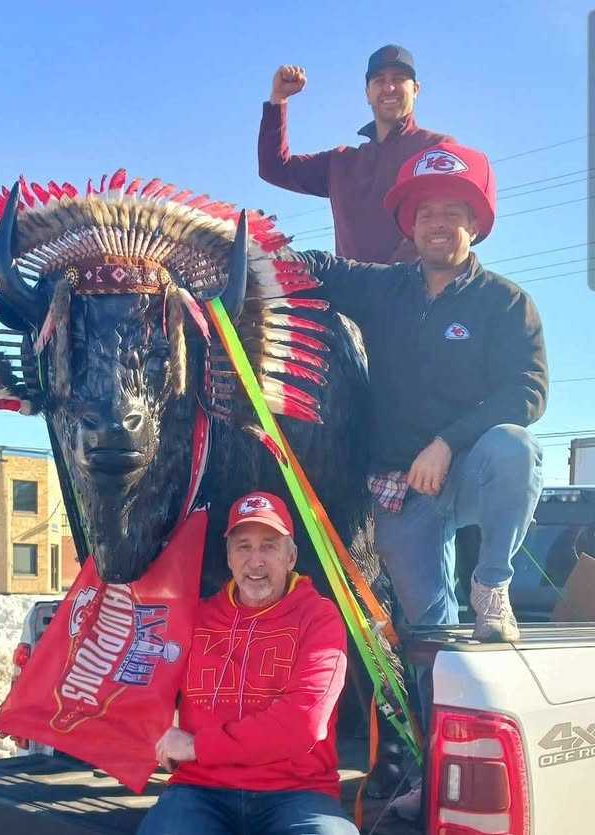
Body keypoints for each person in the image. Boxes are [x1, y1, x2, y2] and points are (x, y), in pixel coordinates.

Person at [299, 142, 547, 646]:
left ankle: (491, 584)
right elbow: (320, 266)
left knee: (516, 448)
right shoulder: (383, 288)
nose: (438, 223)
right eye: (426, 213)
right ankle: (440, 710)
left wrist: (448, 443)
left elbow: (528, 389)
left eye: (452, 213)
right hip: (402, 488)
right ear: (409, 226)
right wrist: (251, 250)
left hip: (471, 471)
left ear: (475, 224)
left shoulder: (506, 302)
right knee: (432, 636)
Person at [137, 491, 358, 835]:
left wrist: (197, 746)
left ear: (291, 557)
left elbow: (302, 724)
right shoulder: (195, 617)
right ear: (228, 558)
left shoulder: (319, 618)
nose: (255, 561)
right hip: (201, 789)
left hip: (296, 793)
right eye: (244, 546)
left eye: (269, 546)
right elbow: (141, 682)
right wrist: (155, 731)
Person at [258, 45, 453, 263]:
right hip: (351, 294)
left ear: (416, 89)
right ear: (367, 94)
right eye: (379, 80)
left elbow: (444, 226)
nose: (389, 88)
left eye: (399, 79)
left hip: (416, 292)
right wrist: (278, 100)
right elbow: (274, 168)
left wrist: (388, 282)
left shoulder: (437, 151)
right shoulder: (341, 163)